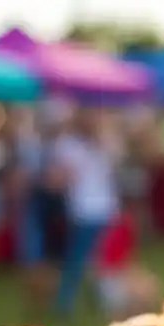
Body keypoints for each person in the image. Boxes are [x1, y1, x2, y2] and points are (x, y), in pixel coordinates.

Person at [53, 106, 119, 315]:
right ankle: (66, 302)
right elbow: (62, 178)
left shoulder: (104, 142)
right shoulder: (67, 145)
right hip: (83, 210)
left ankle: (101, 299)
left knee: (103, 259)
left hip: (106, 208)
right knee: (78, 259)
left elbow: (116, 162)